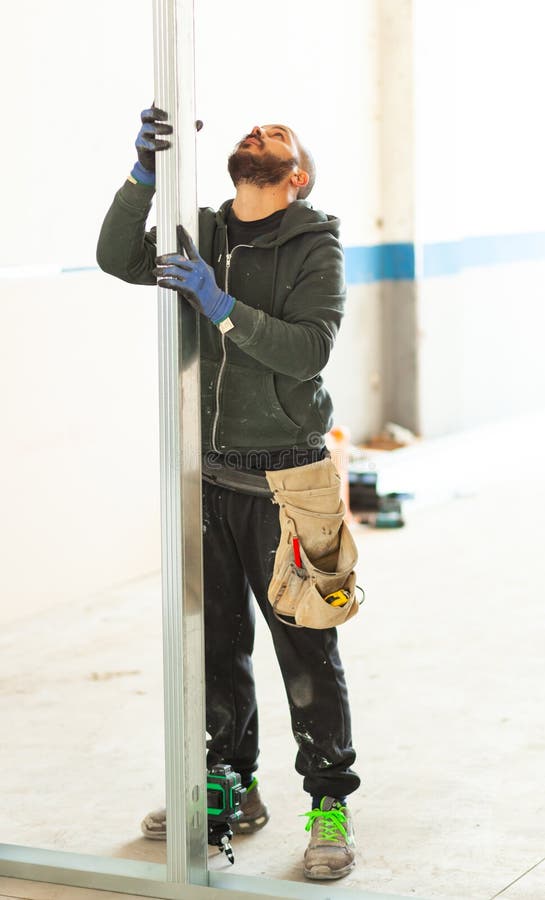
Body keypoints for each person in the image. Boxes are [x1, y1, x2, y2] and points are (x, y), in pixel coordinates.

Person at [96, 106, 360, 880]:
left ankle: (328, 803)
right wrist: (142, 178)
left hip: (289, 479)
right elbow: (116, 257)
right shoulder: (200, 230)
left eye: (275, 136)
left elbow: (309, 351)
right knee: (214, 647)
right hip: (207, 475)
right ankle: (229, 784)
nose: (256, 133)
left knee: (306, 647)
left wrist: (222, 308)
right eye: (250, 131)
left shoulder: (316, 246)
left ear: (295, 174)